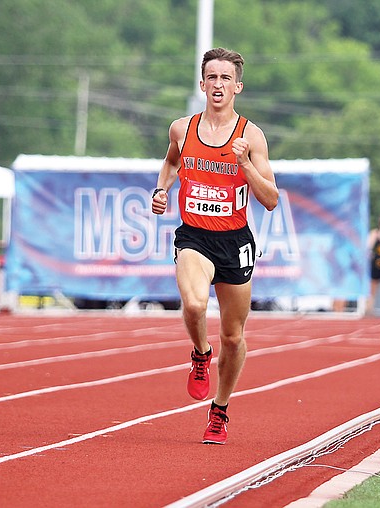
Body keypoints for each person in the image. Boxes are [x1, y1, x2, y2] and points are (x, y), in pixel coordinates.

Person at [151, 48, 278, 445]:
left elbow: (271, 199)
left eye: (226, 78)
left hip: (235, 242)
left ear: (237, 86)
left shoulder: (251, 136)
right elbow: (171, 162)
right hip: (194, 236)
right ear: (201, 83)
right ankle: (200, 354)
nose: (218, 84)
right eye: (212, 77)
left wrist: (245, 165)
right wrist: (162, 189)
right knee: (193, 304)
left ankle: (220, 410)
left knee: (234, 337)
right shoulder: (181, 129)